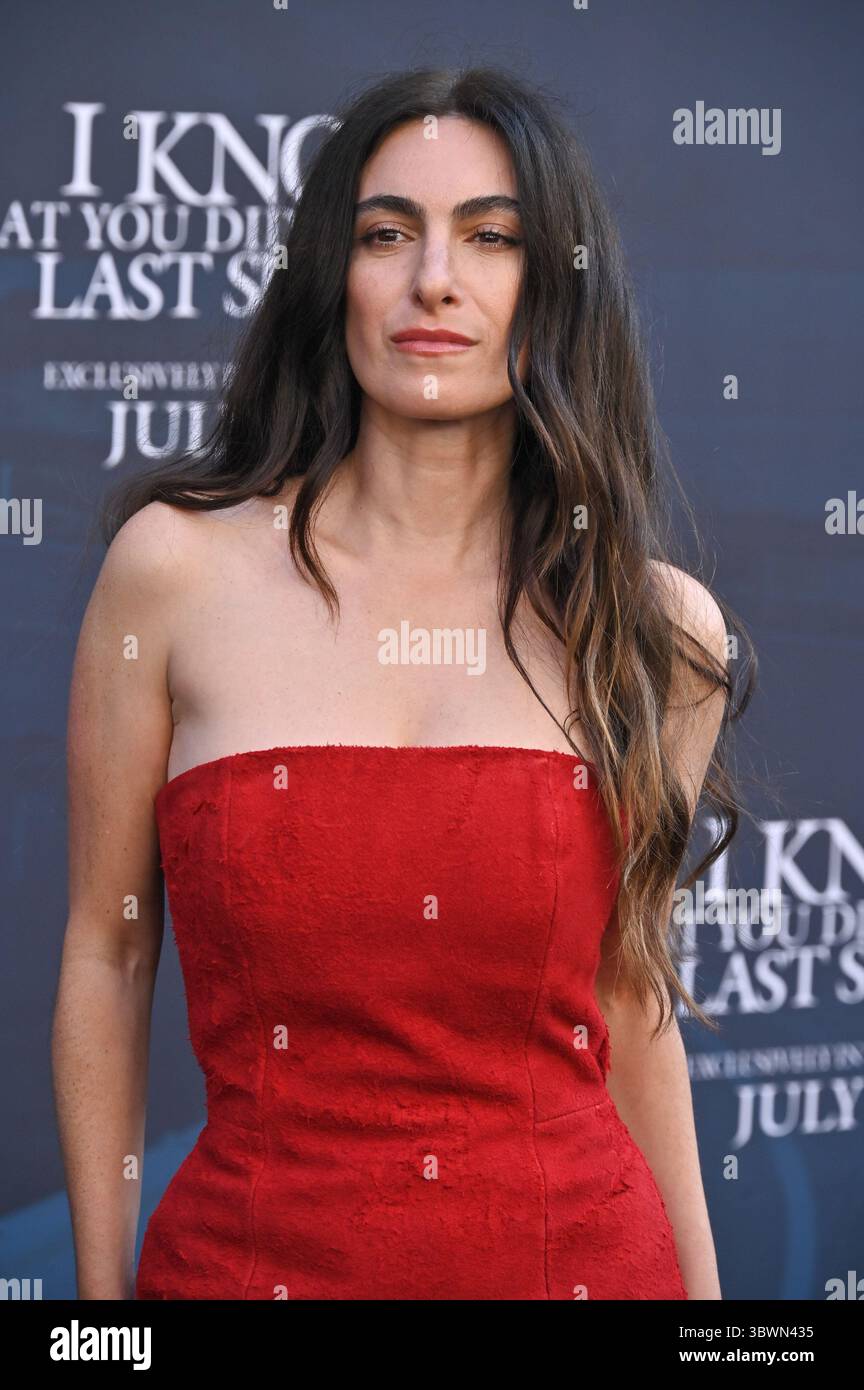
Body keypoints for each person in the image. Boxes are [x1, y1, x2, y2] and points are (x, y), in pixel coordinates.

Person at [53, 66, 755, 1301]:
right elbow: (108, 959)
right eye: (389, 234)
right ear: (334, 279)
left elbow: (629, 999)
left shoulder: (656, 629)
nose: (437, 277)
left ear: (556, 287)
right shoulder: (171, 574)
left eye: (493, 237)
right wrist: (101, 1315)